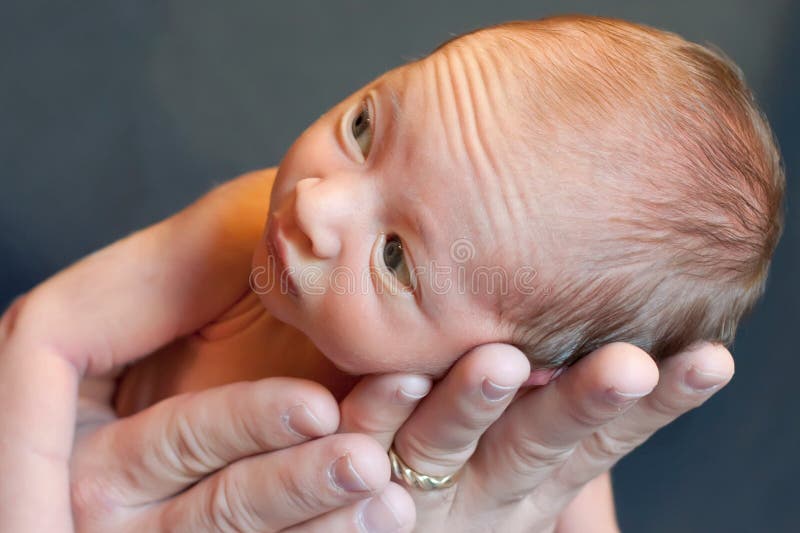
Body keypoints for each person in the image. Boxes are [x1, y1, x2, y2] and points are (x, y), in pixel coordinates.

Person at [0, 14, 767, 533]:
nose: (316, 203)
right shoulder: (243, 234)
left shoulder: (509, 438)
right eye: (365, 125)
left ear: (534, 376)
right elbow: (45, 332)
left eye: (395, 255)